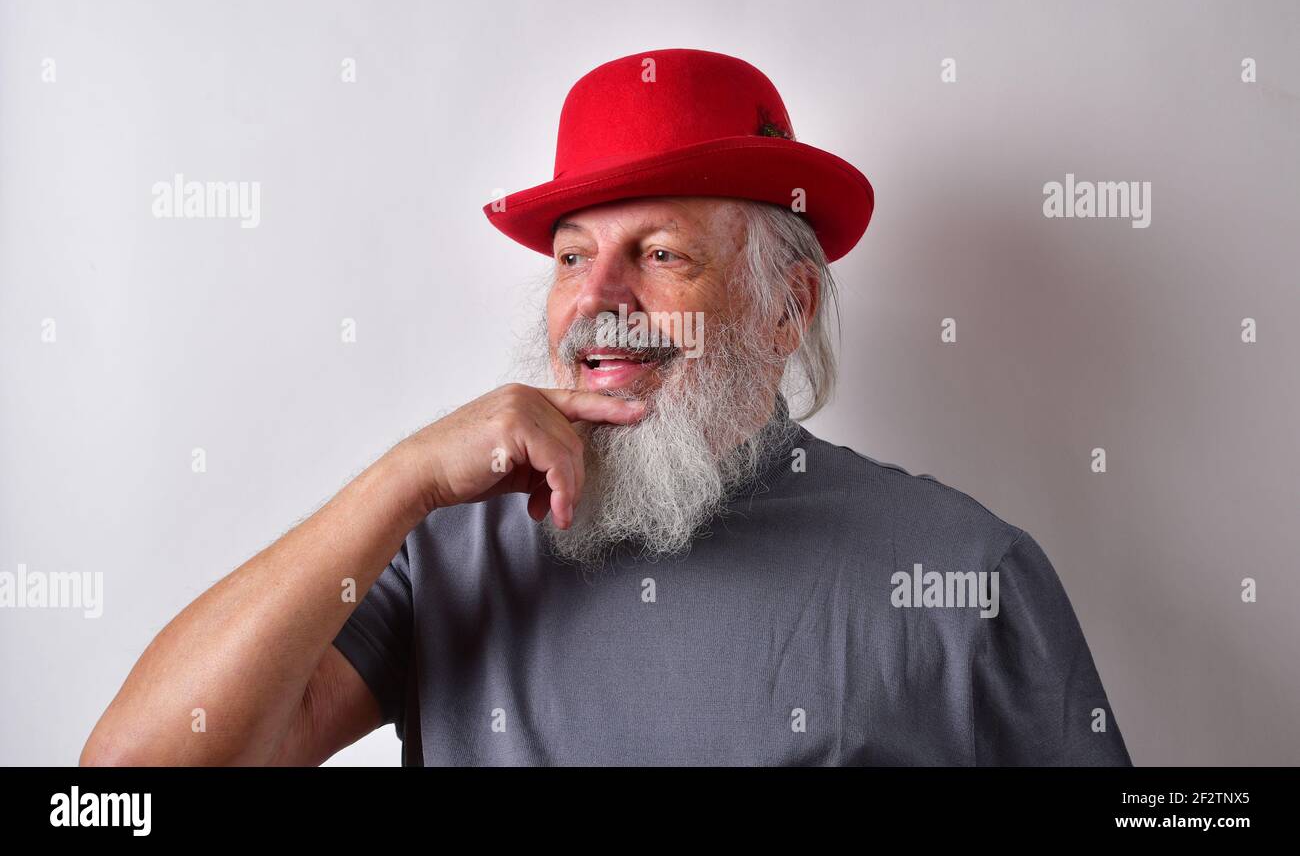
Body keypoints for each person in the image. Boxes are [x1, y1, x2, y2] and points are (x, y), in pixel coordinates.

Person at [80, 48, 1131, 766]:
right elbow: (123, 779)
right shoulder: (446, 547)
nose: (598, 298)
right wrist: (401, 477)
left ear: (784, 306)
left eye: (660, 253)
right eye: (573, 254)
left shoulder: (964, 570)